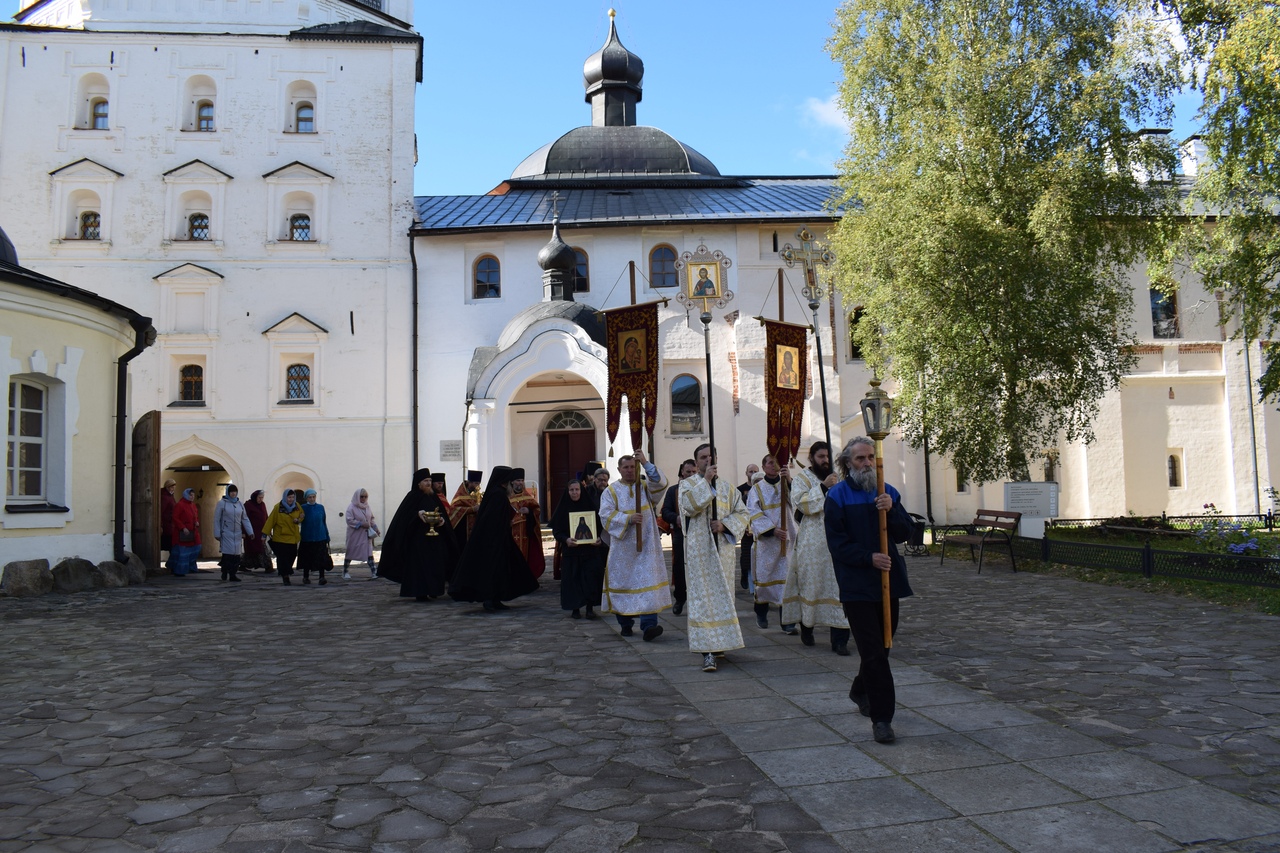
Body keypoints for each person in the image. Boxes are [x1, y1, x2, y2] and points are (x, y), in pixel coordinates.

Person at [825, 436, 915, 745]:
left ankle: (860, 689)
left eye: (870, 457)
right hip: (857, 585)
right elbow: (837, 544)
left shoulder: (887, 492)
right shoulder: (837, 496)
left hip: (889, 581)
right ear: (847, 463)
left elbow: (905, 533)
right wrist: (868, 558)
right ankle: (882, 719)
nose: (866, 463)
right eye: (860, 458)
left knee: (883, 647)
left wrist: (892, 511)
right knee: (874, 652)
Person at [679, 443, 751, 672]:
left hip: (723, 553)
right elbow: (689, 507)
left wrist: (724, 525)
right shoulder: (687, 485)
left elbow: (743, 513)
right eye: (703, 457)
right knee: (703, 600)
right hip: (700, 552)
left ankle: (720, 644)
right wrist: (707, 482)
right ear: (696, 461)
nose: (708, 460)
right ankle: (707, 650)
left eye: (711, 456)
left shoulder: (729, 488)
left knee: (723, 598)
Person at [782, 442, 852, 653]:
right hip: (813, 542)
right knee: (811, 586)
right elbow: (802, 505)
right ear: (812, 457)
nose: (825, 460)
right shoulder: (802, 479)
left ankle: (840, 640)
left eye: (827, 456)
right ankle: (807, 627)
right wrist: (823, 487)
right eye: (821, 456)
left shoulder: (838, 477)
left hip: (838, 539)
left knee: (839, 588)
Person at [599, 451, 670, 640]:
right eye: (626, 467)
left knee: (647, 583)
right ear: (619, 469)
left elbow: (661, 483)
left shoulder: (644, 487)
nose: (630, 470)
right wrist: (628, 519)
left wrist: (645, 462)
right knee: (624, 584)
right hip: (623, 549)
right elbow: (605, 515)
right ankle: (625, 624)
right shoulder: (611, 491)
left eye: (632, 467)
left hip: (646, 545)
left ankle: (649, 626)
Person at [450, 466, 539, 611]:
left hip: (497, 538)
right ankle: (489, 599)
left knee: (500, 570)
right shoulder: (497, 495)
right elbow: (493, 519)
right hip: (493, 541)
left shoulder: (495, 493)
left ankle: (496, 598)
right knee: (491, 570)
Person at [378, 468, 460, 601]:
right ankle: (421, 593)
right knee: (420, 567)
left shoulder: (433, 496)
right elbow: (403, 518)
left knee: (435, 565)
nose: (428, 483)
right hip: (418, 541)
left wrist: (442, 521)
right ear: (418, 483)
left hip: (435, 540)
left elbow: (442, 513)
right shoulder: (412, 497)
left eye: (430, 481)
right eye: (425, 481)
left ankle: (434, 590)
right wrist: (417, 514)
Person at [746, 454, 795, 632]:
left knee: (787, 582)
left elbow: (798, 502)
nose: (773, 466)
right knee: (765, 580)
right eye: (769, 463)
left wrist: (789, 481)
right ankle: (761, 613)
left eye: (776, 463)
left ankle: (787, 621)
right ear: (763, 466)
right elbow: (753, 512)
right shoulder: (757, 489)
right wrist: (772, 530)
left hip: (786, 541)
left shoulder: (787, 485)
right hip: (767, 544)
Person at [552, 479, 605, 619]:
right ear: (567, 491)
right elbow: (557, 531)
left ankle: (589, 608)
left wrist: (598, 538)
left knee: (590, 579)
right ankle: (575, 608)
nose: (574, 492)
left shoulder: (590, 506)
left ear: (581, 491)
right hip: (571, 552)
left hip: (590, 551)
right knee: (573, 580)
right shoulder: (563, 508)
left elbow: (600, 527)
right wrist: (566, 539)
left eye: (577, 490)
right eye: (572, 490)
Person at [661, 458, 697, 616]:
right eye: (688, 471)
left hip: (700, 535)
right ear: (682, 472)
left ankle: (698, 601)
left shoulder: (704, 488)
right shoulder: (673, 490)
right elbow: (665, 511)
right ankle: (680, 598)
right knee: (679, 568)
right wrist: (675, 518)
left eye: (694, 472)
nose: (691, 474)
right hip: (680, 534)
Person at [509, 467, 546, 580]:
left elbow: (537, 510)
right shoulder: (507, 497)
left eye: (522, 480)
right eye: (518, 480)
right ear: (512, 482)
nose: (520, 483)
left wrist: (529, 511)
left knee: (526, 555)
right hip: (510, 532)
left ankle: (525, 578)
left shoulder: (527, 497)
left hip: (525, 533)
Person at [262, 489, 304, 585]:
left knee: (292, 555)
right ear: (285, 497)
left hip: (292, 537)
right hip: (280, 537)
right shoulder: (278, 508)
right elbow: (270, 521)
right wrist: (264, 534)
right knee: (282, 558)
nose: (291, 499)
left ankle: (286, 571)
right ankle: (285, 575)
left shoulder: (297, 506)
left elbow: (302, 515)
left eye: (292, 497)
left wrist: (298, 520)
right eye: (289, 497)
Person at [212, 484, 253, 582]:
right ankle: (225, 571)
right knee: (228, 555)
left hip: (237, 533)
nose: (233, 493)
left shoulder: (240, 504)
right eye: (231, 492)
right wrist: (217, 533)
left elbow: (245, 518)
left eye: (235, 491)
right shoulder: (222, 503)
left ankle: (233, 574)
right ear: (228, 492)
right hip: (226, 532)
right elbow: (217, 519)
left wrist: (250, 532)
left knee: (236, 555)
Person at [344, 488, 379, 579]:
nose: (363, 499)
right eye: (361, 496)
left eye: (365, 497)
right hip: (355, 535)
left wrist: (375, 528)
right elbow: (349, 520)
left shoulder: (367, 507)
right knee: (351, 551)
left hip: (366, 535)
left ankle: (374, 572)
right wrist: (361, 524)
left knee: (369, 552)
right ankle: (345, 571)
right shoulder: (351, 507)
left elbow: (371, 518)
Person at [447, 469, 483, 551]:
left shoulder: (478, 495)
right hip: (462, 529)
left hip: (475, 528)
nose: (478, 486)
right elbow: (454, 509)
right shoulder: (460, 495)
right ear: (469, 482)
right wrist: (472, 509)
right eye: (476, 483)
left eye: (479, 483)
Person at [738, 463, 760, 589]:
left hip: (760, 529)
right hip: (746, 529)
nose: (753, 474)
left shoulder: (763, 490)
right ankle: (745, 574)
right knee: (746, 555)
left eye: (755, 471)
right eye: (751, 471)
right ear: (746, 473)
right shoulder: (740, 490)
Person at [170, 487, 201, 576]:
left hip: (193, 532)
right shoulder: (180, 505)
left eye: (193, 495)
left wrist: (196, 522)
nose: (192, 497)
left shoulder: (193, 505)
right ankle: (179, 570)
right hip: (182, 533)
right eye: (190, 495)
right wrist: (182, 527)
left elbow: (195, 516)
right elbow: (175, 517)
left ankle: (191, 567)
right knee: (183, 552)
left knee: (197, 547)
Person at [243, 490, 272, 573]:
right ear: (255, 497)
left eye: (262, 498)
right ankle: (243, 565)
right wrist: (244, 532)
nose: (260, 499)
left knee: (262, 548)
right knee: (251, 550)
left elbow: (266, 516)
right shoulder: (248, 505)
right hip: (252, 533)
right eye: (259, 497)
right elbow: (244, 519)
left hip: (261, 532)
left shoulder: (262, 505)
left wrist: (268, 529)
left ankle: (268, 566)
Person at [160, 478, 177, 572]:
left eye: (174, 486)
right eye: (171, 486)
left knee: (173, 546)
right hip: (168, 526)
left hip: (171, 526)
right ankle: (171, 565)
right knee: (172, 546)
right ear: (167, 487)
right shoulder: (165, 497)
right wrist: (161, 525)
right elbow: (161, 511)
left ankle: (172, 565)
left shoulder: (170, 496)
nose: (173, 488)